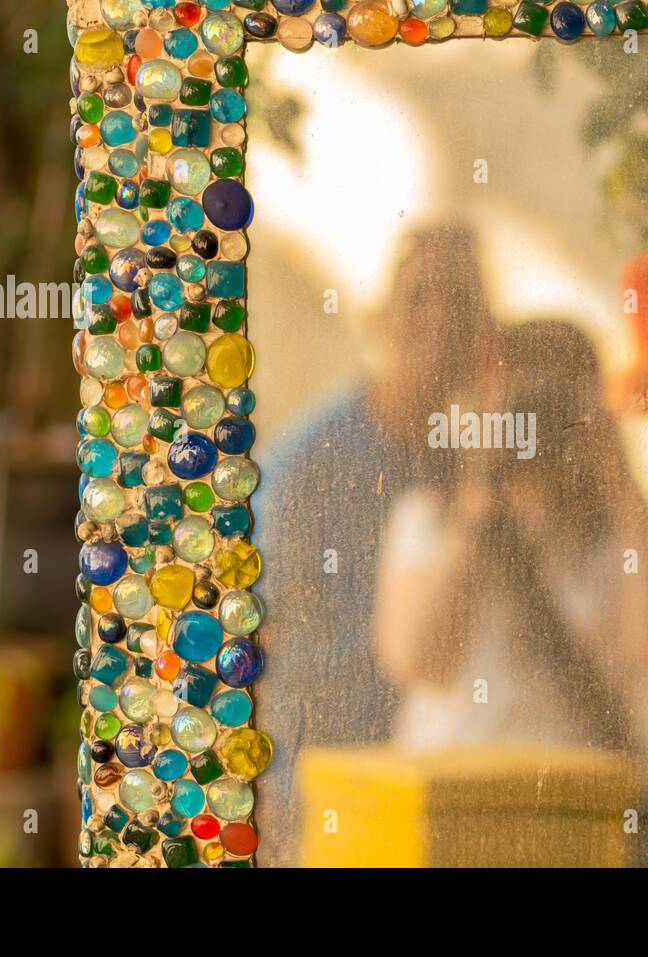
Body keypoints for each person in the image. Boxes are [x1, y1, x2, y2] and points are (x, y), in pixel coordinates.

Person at [251, 225, 500, 863]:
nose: (437, 316)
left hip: (435, 796)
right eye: (419, 296)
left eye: (458, 299)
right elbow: (253, 635)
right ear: (385, 317)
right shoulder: (313, 461)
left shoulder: (476, 461)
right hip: (325, 792)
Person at [373, 320, 648, 753]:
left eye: (559, 401)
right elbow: (417, 660)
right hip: (452, 789)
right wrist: (481, 487)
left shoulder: (618, 532)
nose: (538, 421)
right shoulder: (429, 519)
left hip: (576, 794)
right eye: (522, 402)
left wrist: (616, 471)